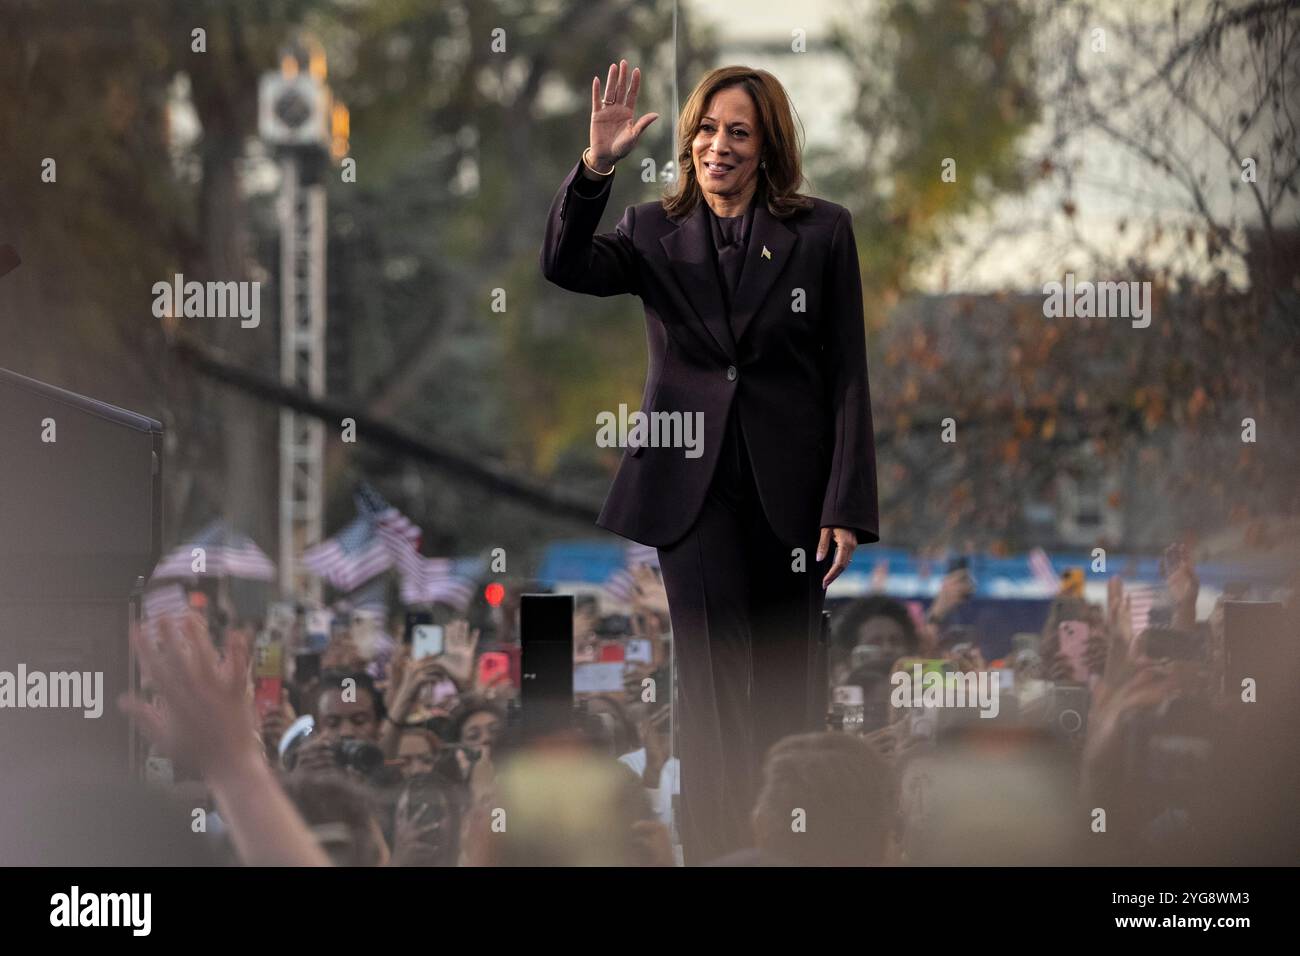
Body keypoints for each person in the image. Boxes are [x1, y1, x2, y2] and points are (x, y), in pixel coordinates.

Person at [540, 60, 879, 864]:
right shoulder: (652, 230)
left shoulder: (823, 231)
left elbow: (848, 375)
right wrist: (595, 167)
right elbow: (563, 264)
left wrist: (846, 505)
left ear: (767, 149)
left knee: (787, 690)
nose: (717, 145)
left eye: (738, 133)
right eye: (706, 128)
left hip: (792, 497)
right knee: (712, 693)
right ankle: (724, 855)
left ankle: (799, 849)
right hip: (689, 495)